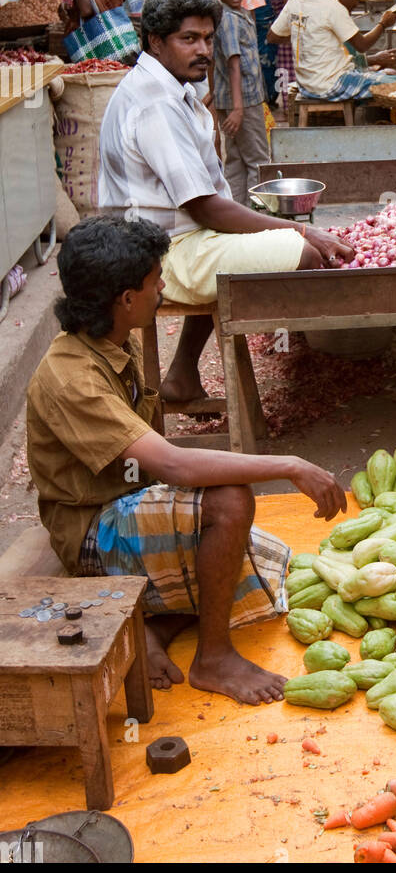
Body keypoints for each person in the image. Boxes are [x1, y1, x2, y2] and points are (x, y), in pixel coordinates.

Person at [27, 215, 347, 703]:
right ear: (126, 299)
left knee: (260, 561)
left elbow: (158, 463)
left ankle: (155, 626)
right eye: (155, 281)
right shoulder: (72, 379)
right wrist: (289, 464)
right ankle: (213, 658)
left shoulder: (115, 337)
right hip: (92, 528)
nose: (162, 287)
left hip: (127, 498)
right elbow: (173, 465)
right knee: (229, 504)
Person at [98, 0, 352, 404]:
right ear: (155, 42)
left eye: (208, 39)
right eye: (189, 39)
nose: (203, 50)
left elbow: (209, 204)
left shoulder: (171, 89)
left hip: (177, 238)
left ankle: (181, 375)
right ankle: (308, 354)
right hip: (158, 255)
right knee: (303, 254)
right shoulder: (155, 104)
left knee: (248, 242)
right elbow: (206, 207)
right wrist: (305, 235)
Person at [268, 0, 396, 100]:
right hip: (331, 84)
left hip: (306, 84)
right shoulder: (333, 6)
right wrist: (383, 24)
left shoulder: (295, 0)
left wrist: (307, 33)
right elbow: (362, 45)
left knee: (383, 77)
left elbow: (273, 36)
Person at [210, 0, 269, 207]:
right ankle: (259, 216)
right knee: (258, 161)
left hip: (231, 101)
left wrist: (214, 95)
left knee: (235, 159)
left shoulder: (234, 14)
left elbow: (215, 61)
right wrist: (237, 108)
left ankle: (237, 212)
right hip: (244, 101)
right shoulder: (230, 19)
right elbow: (233, 64)